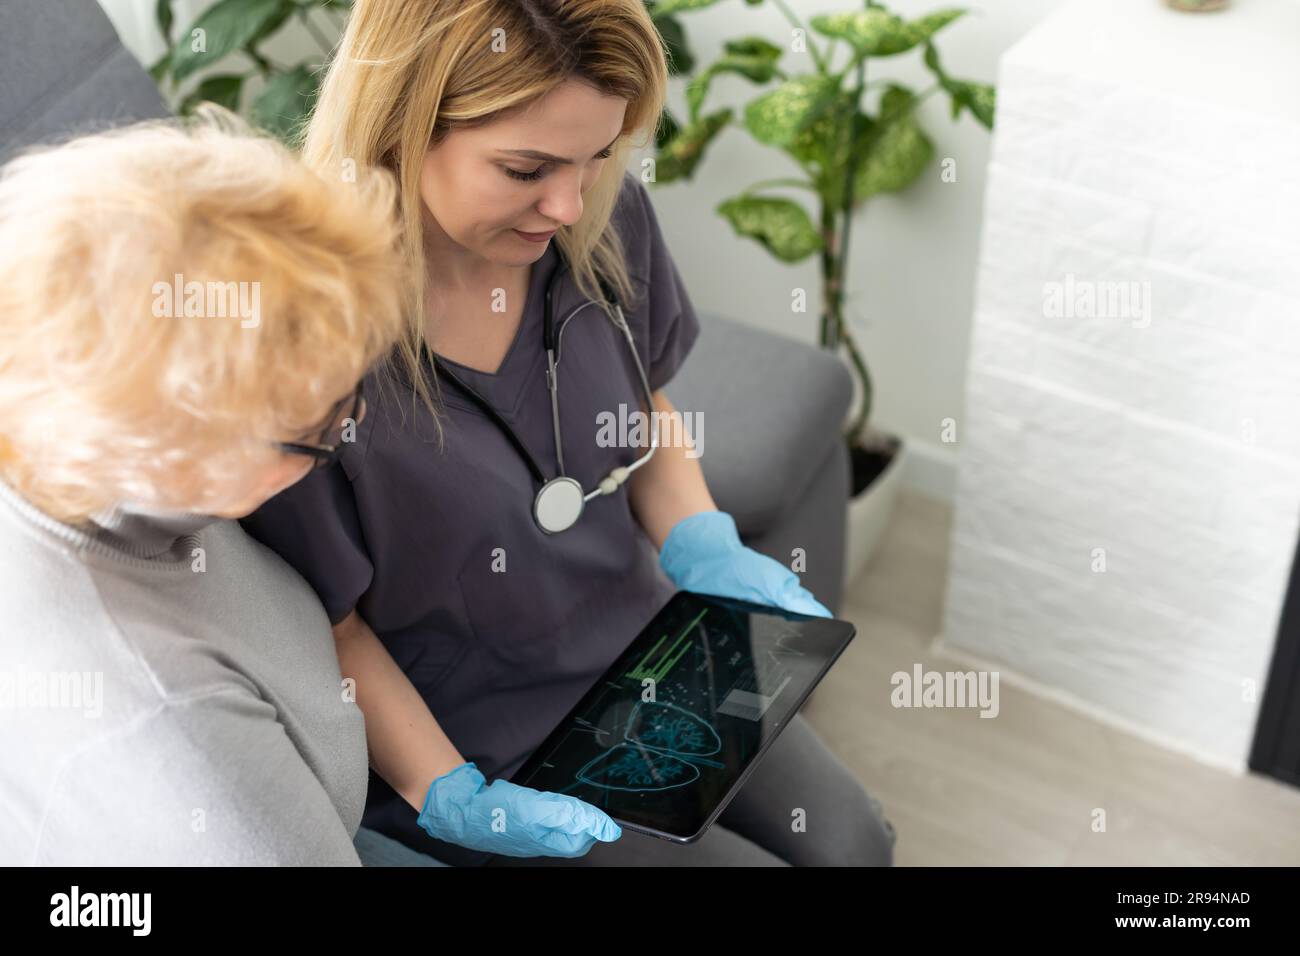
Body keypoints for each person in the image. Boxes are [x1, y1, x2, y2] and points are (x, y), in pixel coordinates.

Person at [241, 0, 897, 867]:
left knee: (853, 840)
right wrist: (450, 793)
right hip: (485, 745)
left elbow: (646, 408)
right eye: (525, 168)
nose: (565, 202)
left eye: (597, 156)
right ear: (398, 124)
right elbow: (330, 623)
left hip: (649, 650)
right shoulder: (306, 346)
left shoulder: (602, 224)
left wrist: (704, 544)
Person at [0, 109, 613, 864]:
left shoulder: (77, 441)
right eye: (321, 425)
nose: (351, 422)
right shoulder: (173, 730)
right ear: (170, 449)